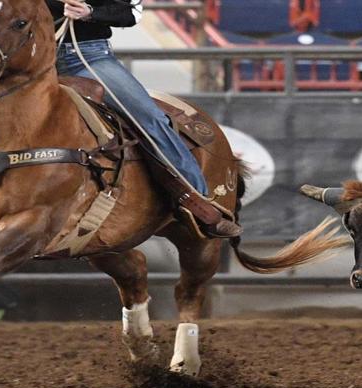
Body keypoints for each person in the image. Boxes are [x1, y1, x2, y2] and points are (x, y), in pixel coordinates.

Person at [49, 0, 241, 238]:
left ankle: (195, 196)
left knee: (148, 118)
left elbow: (132, 11)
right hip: (27, 55)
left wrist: (91, 12)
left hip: (86, 56)